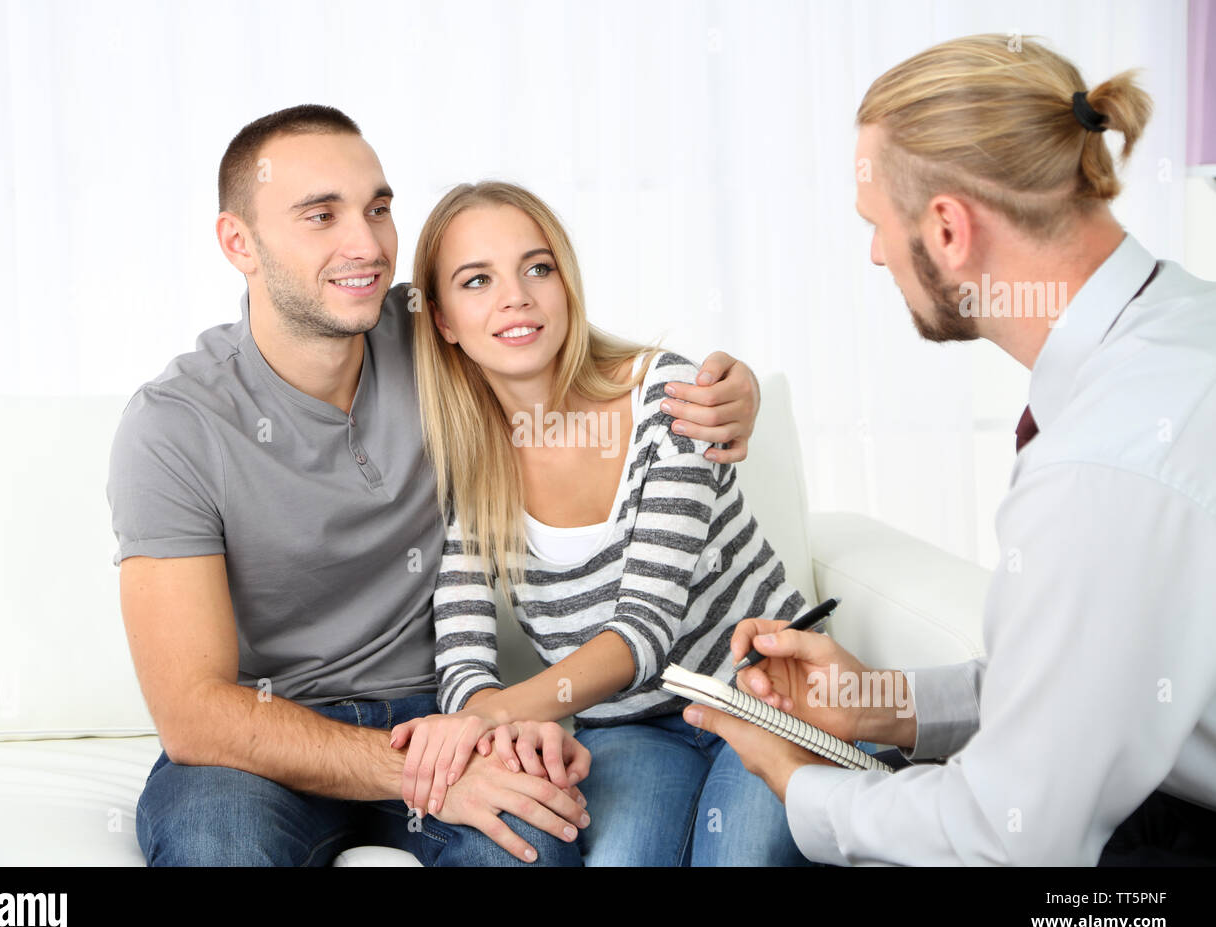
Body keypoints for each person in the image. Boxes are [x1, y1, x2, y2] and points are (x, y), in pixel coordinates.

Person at [106, 104, 764, 866]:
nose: (366, 245)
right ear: (238, 243)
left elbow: (564, 353)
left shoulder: (440, 335)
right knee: (218, 846)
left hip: (439, 712)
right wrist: (428, 772)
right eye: (321, 215)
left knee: (528, 848)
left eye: (378, 209)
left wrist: (730, 389)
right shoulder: (173, 427)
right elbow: (194, 716)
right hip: (268, 740)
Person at [687, 34, 1216, 866]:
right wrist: (881, 705)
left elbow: (1008, 838)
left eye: (877, 226)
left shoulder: (1099, 467)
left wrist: (799, 783)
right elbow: (1084, 680)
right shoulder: (1178, 325)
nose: (873, 254)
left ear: (946, 228)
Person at [388, 180, 815, 866]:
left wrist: (493, 714)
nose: (516, 296)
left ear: (566, 282)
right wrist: (493, 715)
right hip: (632, 732)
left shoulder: (667, 400)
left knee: (739, 857)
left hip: (763, 695)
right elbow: (463, 656)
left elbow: (642, 634)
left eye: (538, 267)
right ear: (442, 321)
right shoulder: (465, 461)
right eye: (477, 280)